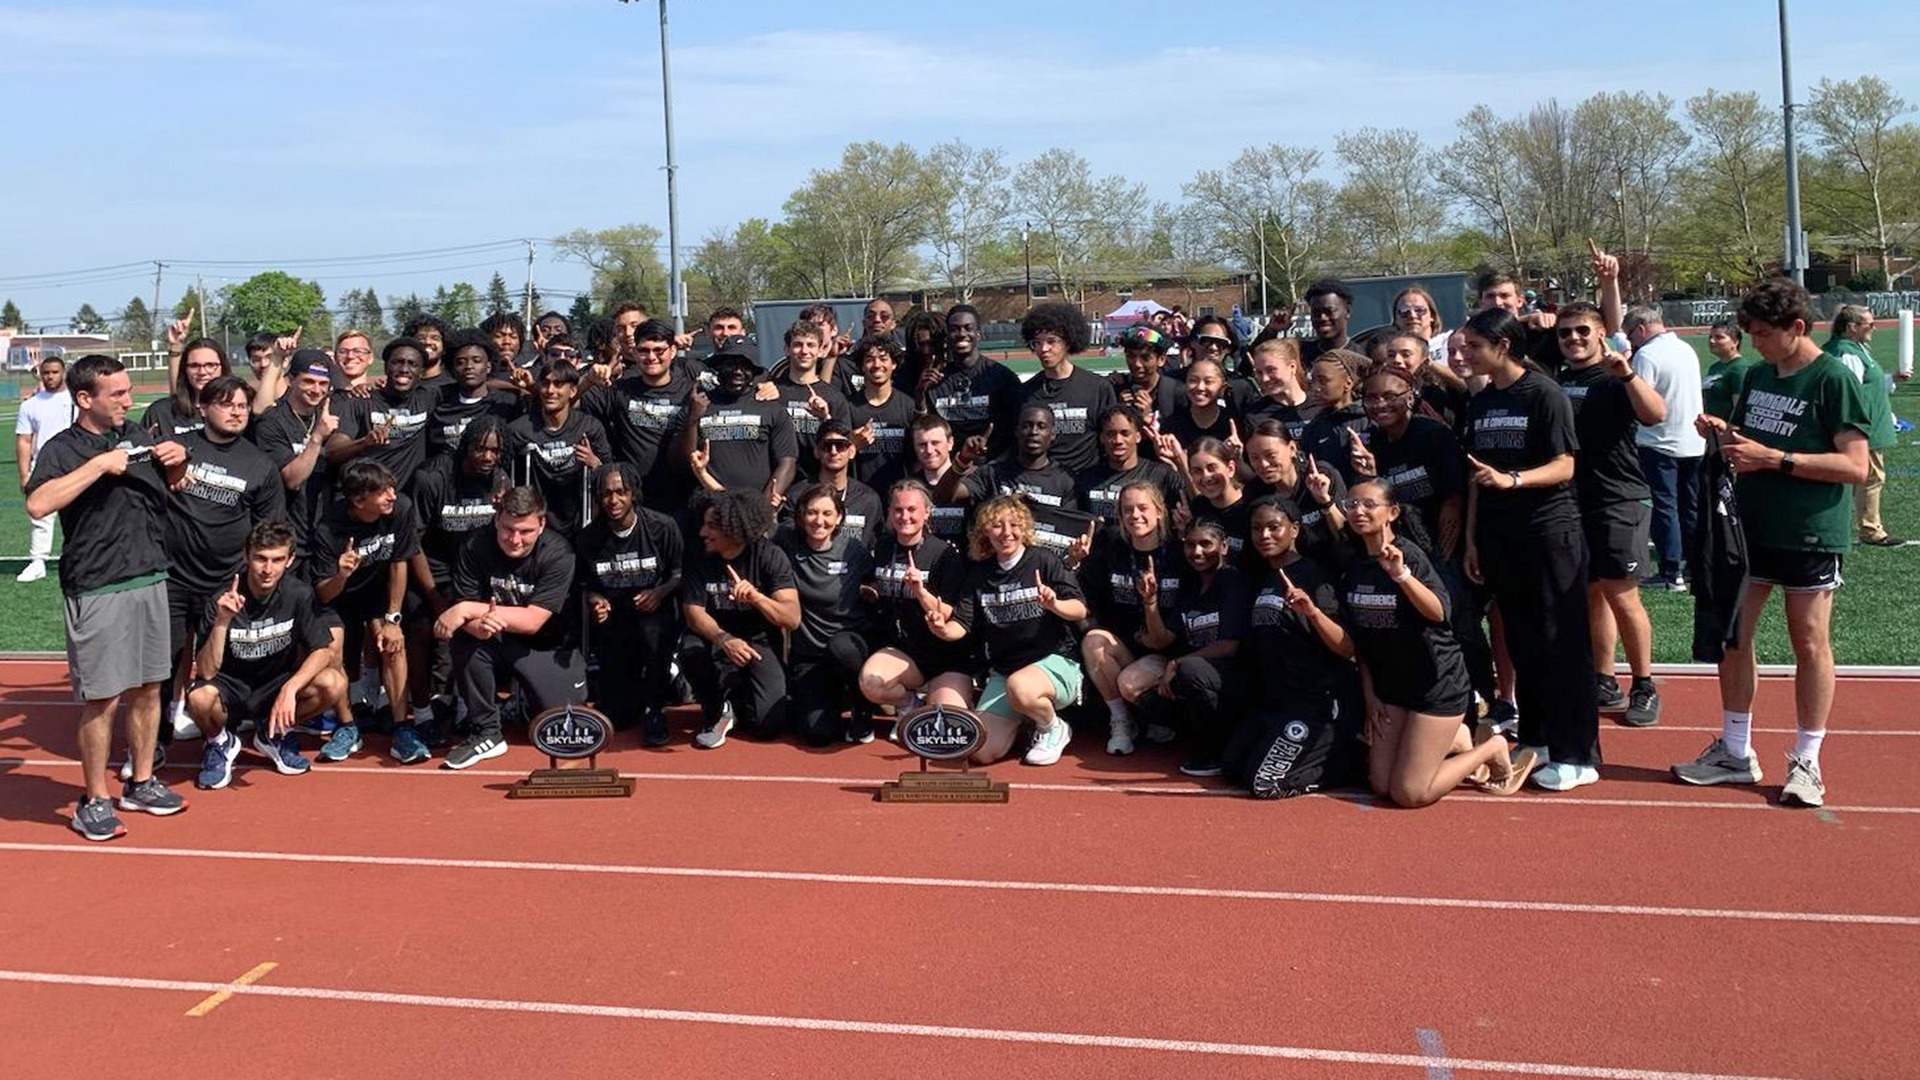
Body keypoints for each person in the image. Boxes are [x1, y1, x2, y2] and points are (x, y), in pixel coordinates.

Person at [1673, 278, 1871, 808]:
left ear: (1797, 328)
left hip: (1808, 531)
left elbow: (1855, 465)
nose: (1754, 343)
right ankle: (1736, 750)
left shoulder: (1831, 378)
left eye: (1762, 334)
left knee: (1809, 643)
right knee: (1735, 635)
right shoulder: (1759, 374)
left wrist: (1776, 460)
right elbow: (1752, 441)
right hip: (1748, 529)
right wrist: (1723, 434)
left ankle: (1808, 758)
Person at [25, 354, 191, 840]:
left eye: (127, 390)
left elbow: (174, 487)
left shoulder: (134, 434)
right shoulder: (65, 448)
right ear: (84, 399)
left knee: (149, 688)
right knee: (102, 698)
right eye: (116, 393)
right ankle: (93, 799)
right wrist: (99, 464)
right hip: (98, 585)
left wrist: (178, 465)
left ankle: (141, 782)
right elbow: (38, 503)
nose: (128, 399)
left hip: (150, 576)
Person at [1460, 308, 1601, 791]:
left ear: (1502, 346)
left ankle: (1578, 753)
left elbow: (1565, 466)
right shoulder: (1480, 404)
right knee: (1523, 643)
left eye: (1473, 346)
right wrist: (1474, 539)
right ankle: (1539, 740)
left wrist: (1514, 480)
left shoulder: (1545, 394)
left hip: (1549, 532)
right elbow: (1477, 478)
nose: (1464, 355)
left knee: (1561, 642)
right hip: (1500, 538)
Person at [1342, 478, 1533, 806]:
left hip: (1436, 685)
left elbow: (1439, 612)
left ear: (1392, 512)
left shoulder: (1410, 555)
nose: (1359, 511)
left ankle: (1491, 748)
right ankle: (1458, 739)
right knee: (1381, 784)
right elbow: (1363, 644)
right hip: (1393, 689)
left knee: (1410, 793)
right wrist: (1371, 697)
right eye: (1351, 505)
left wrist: (1401, 576)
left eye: (1369, 504)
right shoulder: (1354, 565)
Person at [1554, 301, 1668, 727]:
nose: (1574, 339)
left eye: (1582, 331)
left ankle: (1644, 684)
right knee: (1592, 593)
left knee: (1622, 594)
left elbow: (1656, 414)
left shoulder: (1617, 374)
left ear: (1600, 333)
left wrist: (1628, 374)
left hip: (1618, 498)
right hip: (1572, 500)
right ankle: (1604, 679)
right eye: (1565, 333)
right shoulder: (1561, 379)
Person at [159, 376, 287, 743]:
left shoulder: (259, 465)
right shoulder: (177, 448)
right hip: (173, 578)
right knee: (164, 664)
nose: (236, 411)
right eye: (226, 404)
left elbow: (270, 529)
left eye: (243, 406)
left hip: (225, 581)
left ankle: (223, 732)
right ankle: (154, 743)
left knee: (222, 661)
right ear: (202, 408)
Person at [924, 496, 1088, 766]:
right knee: (980, 750)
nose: (1006, 532)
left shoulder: (1044, 561)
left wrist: (1054, 604)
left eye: (1013, 524)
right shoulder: (979, 574)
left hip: (1055, 663)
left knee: (1021, 687)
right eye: (997, 525)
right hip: (1006, 673)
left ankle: (1053, 727)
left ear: (1024, 528)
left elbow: (1080, 609)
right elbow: (961, 626)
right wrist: (940, 628)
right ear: (986, 531)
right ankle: (1027, 721)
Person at [434, 485, 586, 769]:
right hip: (495, 640)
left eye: (525, 531)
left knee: (562, 728)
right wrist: (475, 626)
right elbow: (465, 617)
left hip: (547, 647)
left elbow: (533, 621)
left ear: (541, 524)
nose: (515, 539)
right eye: (507, 529)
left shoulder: (559, 553)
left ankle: (523, 703)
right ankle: (487, 732)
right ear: (496, 521)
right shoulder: (474, 546)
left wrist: (466, 610)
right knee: (465, 642)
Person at [186, 521, 347, 788]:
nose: (267, 569)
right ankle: (219, 743)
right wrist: (222, 622)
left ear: (290, 560)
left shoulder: (299, 594)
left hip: (274, 686)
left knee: (334, 683)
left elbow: (322, 650)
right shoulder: (222, 598)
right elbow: (206, 672)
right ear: (246, 556)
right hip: (229, 689)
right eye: (260, 558)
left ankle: (273, 734)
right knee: (198, 697)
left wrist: (290, 690)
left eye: (277, 560)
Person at [1226, 497, 1362, 797]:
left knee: (1265, 784)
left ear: (1294, 529)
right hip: (1277, 703)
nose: (1264, 536)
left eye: (1274, 527)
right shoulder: (1263, 577)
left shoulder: (1314, 576)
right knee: (1232, 768)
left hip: (1316, 704)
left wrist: (1312, 612)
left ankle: (1355, 758)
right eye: (1257, 529)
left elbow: (1347, 647)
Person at [306, 459, 417, 762]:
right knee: (334, 649)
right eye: (382, 492)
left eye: (391, 488)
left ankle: (401, 728)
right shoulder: (330, 528)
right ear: (358, 500)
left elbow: (399, 562)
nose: (392, 495)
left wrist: (392, 618)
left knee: (395, 642)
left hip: (379, 594)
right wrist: (341, 574)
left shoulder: (401, 508)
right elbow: (322, 591)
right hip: (339, 600)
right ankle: (347, 726)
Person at [679, 488, 801, 748]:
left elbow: (792, 618)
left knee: (766, 727)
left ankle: (737, 694)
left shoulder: (769, 555)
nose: (703, 532)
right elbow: (693, 613)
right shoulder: (698, 555)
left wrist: (757, 598)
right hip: (714, 637)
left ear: (734, 529)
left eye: (712, 527)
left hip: (758, 640)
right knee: (690, 649)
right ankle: (718, 709)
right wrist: (724, 639)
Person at [1131, 518, 1249, 776]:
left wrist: (1177, 663)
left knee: (1189, 671)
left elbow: (1229, 646)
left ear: (1225, 547)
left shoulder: (1234, 583)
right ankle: (1191, 737)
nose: (1197, 552)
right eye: (1190, 545)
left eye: (1206, 544)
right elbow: (1164, 639)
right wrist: (1150, 602)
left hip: (1233, 678)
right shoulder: (1191, 586)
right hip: (1197, 674)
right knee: (1150, 700)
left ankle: (1211, 752)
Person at [578, 462, 683, 746]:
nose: (613, 500)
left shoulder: (662, 527)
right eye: (605, 494)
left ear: (633, 493)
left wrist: (660, 592)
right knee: (619, 717)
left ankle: (656, 707)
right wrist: (595, 600)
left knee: (653, 636)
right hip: (615, 620)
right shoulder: (588, 538)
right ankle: (662, 685)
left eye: (620, 492)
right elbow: (585, 585)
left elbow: (680, 573)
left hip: (655, 614)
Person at [1078, 480, 1185, 755]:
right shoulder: (1112, 547)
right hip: (1126, 647)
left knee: (1130, 683)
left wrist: (1150, 601)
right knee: (1093, 642)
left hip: (1167, 653)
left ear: (1159, 511)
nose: (1135, 515)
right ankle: (1122, 721)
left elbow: (1164, 639)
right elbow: (1086, 596)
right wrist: (1073, 562)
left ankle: (1159, 718)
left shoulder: (1179, 553)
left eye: (1142, 508)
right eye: (1128, 510)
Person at [858, 480, 976, 723]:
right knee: (871, 683)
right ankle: (910, 706)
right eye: (898, 510)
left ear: (927, 512)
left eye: (912, 510)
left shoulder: (945, 554)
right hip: (906, 655)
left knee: (948, 722)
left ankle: (945, 699)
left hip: (947, 658)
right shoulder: (883, 548)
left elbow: (950, 614)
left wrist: (920, 592)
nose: (905, 516)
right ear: (889, 513)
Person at [778, 484, 876, 746]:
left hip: (848, 648)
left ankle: (862, 707)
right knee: (816, 735)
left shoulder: (853, 550)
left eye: (827, 513)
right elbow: (754, 530)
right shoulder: (786, 544)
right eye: (811, 513)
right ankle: (827, 701)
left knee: (842, 648)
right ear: (800, 515)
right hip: (810, 657)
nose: (819, 521)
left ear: (839, 517)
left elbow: (874, 584)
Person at [1622, 304, 1707, 589]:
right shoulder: (1685, 349)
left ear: (1641, 330)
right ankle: (1694, 566)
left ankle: (1671, 571)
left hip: (1660, 440)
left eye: (1630, 335)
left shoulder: (1646, 354)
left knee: (1664, 506)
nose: (1631, 342)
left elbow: (1638, 397)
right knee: (1690, 507)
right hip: (1693, 440)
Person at [580, 318, 698, 513]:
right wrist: (588, 381)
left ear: (673, 351)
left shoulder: (691, 392)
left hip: (682, 501)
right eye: (644, 350)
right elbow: (565, 402)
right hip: (635, 501)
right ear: (634, 353)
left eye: (659, 350)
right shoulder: (619, 389)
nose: (651, 357)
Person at [1825, 304, 1907, 547]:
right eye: (1869, 324)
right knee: (1870, 478)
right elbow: (1850, 394)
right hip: (1861, 429)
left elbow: (1866, 384)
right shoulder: (1846, 353)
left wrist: (1891, 379)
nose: (1874, 327)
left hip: (1863, 427)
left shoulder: (1856, 348)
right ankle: (1871, 530)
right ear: (1852, 328)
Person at [506, 360, 610, 540]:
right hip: (535, 524)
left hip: (580, 522)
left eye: (558, 384)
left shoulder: (589, 427)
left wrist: (594, 462)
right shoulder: (519, 430)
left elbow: (610, 473)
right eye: (545, 384)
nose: (550, 391)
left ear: (573, 391)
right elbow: (503, 475)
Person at [250, 351, 340, 553]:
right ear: (291, 380)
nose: (317, 390)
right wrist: (317, 438)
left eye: (323, 384)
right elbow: (292, 480)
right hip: (286, 537)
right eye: (308, 381)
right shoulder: (271, 422)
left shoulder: (328, 413)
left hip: (324, 533)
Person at [688, 343, 798, 504]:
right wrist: (692, 418)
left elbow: (787, 462)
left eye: (745, 366)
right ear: (718, 367)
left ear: (754, 371)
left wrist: (764, 505)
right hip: (710, 506)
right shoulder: (700, 404)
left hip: (758, 506)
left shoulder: (771, 408)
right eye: (730, 364)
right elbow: (683, 459)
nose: (737, 371)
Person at [1017, 301, 1116, 474]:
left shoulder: (1098, 388)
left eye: (1051, 341)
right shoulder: (1026, 392)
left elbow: (1110, 438)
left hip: (1086, 481)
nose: (1043, 349)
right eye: (1037, 343)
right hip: (1043, 484)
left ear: (1068, 341)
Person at [326, 337, 436, 492]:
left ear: (422, 372)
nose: (404, 369)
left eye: (412, 364)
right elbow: (332, 451)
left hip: (406, 499)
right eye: (397, 362)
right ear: (385, 367)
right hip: (366, 497)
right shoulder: (360, 401)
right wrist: (365, 442)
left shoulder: (430, 398)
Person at [925, 304, 1019, 463]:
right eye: (955, 329)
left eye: (968, 328)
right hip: (949, 470)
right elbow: (926, 429)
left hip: (992, 469)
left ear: (979, 333)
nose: (961, 334)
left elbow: (1017, 431)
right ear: (947, 335)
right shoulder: (936, 379)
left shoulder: (1002, 377)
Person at [15, 353, 73, 583]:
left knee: (83, 515)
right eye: (45, 372)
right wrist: (24, 474)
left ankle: (82, 558)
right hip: (43, 467)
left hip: (74, 464)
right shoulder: (30, 405)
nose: (50, 376)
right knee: (41, 518)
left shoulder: (76, 400)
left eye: (54, 372)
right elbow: (24, 441)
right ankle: (38, 561)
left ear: (63, 373)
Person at [426, 330, 523, 464]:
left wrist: (524, 389)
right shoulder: (439, 403)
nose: (469, 367)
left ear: (488, 366)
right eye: (460, 362)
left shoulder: (506, 403)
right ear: (452, 368)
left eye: (476, 361)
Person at [782, 419, 881, 547]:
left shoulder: (868, 499)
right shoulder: (797, 495)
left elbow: (875, 544)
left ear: (851, 451)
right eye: (827, 446)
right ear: (817, 452)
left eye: (840, 445)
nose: (833, 452)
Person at [1078, 405, 1184, 524]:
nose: (1118, 440)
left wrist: (1180, 461)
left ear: (1138, 437)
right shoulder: (1086, 478)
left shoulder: (1161, 474)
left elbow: (1196, 501)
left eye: (1125, 433)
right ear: (1102, 438)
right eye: (1110, 434)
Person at [846, 332, 917, 486]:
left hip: (901, 497)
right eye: (870, 360)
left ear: (894, 364)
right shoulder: (849, 407)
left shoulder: (908, 406)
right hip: (862, 496)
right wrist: (852, 445)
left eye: (883, 359)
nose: (877, 365)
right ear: (862, 366)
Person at [1237, 338, 1318, 440]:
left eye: (1271, 370)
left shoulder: (1320, 406)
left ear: (1292, 367)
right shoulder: (1255, 415)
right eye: (1259, 372)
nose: (1265, 378)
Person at [1111, 326, 1185, 427]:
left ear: (1161, 360)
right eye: (1131, 356)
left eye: (1145, 358)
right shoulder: (1115, 388)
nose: (1137, 364)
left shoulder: (1176, 393)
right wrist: (1117, 410)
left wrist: (1149, 417)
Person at [1700, 320, 1758, 422]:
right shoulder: (1715, 367)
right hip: (1710, 429)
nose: (1712, 341)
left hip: (1724, 431)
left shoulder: (1739, 368)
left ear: (1735, 342)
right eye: (1710, 337)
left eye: (1719, 337)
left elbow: (1739, 408)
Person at [1299, 279, 1354, 363]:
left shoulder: (1362, 357)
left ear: (1348, 311)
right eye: (1316, 312)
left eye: (1329, 311)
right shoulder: (1301, 354)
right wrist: (1273, 330)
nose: (1323, 317)